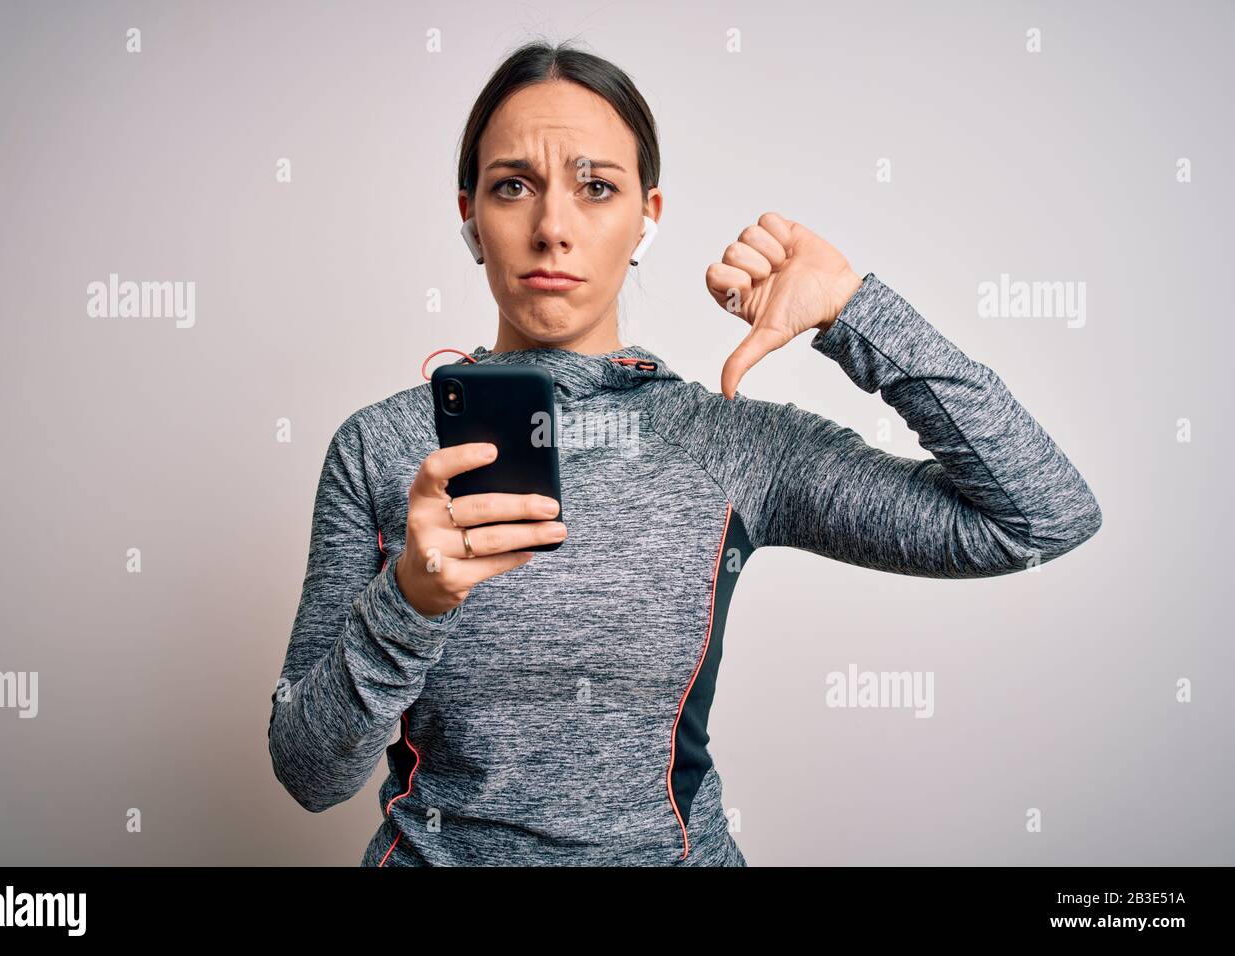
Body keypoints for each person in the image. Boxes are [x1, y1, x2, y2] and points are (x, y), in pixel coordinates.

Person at [267, 41, 1102, 867]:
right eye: (513, 186)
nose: (553, 228)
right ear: (471, 218)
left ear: (647, 219)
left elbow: (1039, 519)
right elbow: (308, 772)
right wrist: (408, 600)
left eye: (596, 188)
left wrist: (851, 313)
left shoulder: (727, 443)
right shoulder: (380, 450)